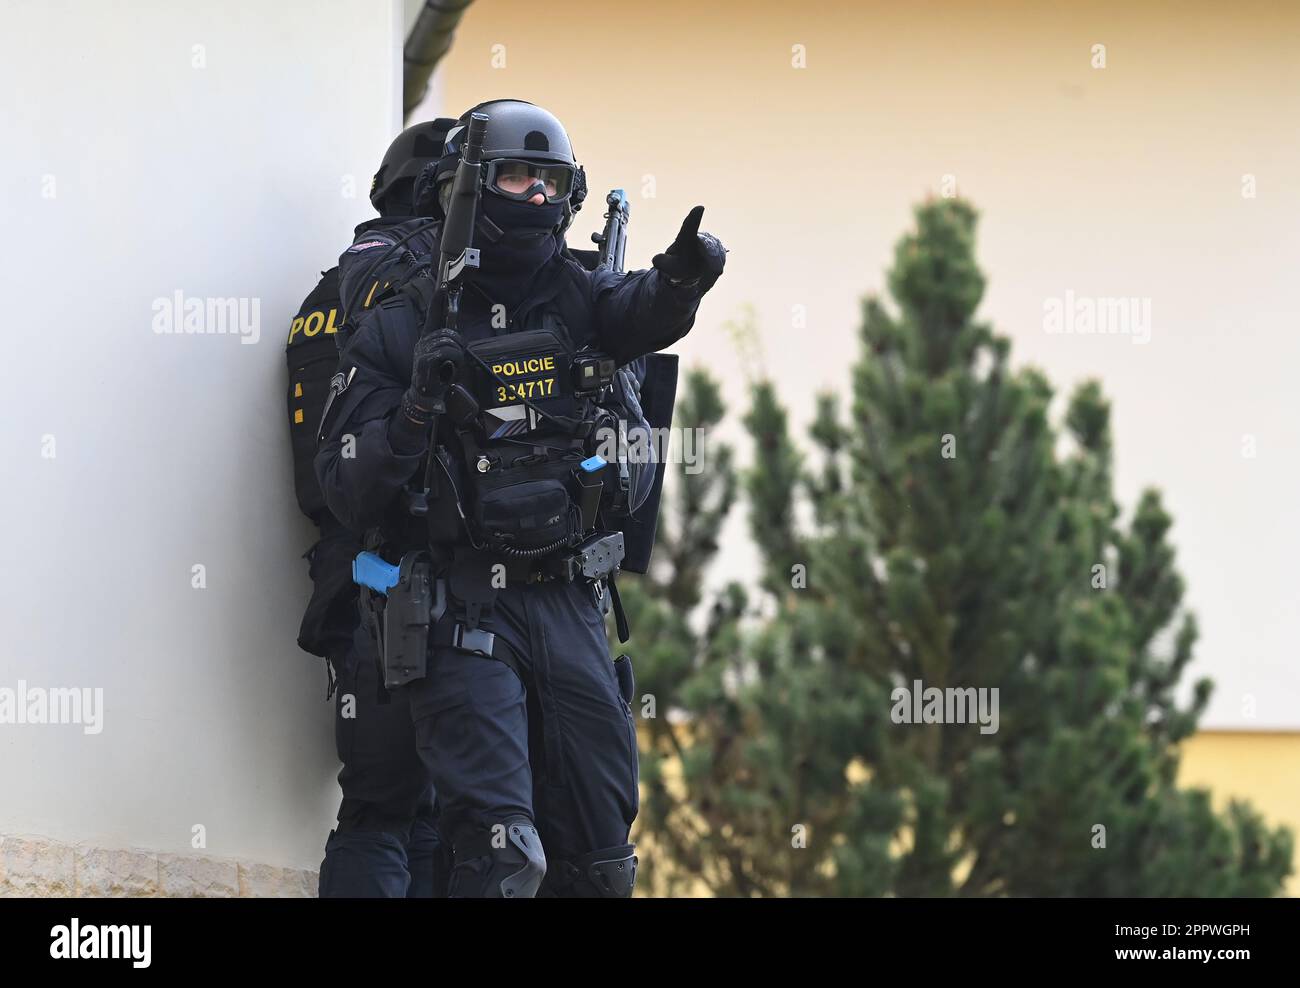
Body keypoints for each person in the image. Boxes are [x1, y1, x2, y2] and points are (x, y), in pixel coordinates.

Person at [315, 98, 725, 898]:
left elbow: (639, 312)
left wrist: (681, 284)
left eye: (550, 182)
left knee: (601, 865)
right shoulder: (404, 323)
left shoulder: (583, 300)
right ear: (467, 187)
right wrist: (414, 414)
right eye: (514, 176)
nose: (535, 198)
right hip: (461, 608)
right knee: (505, 860)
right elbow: (345, 482)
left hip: (571, 600)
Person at [285, 118, 455, 897]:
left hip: (353, 573)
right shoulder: (433, 292)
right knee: (408, 813)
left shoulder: (330, 293)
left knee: (386, 807)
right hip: (425, 569)